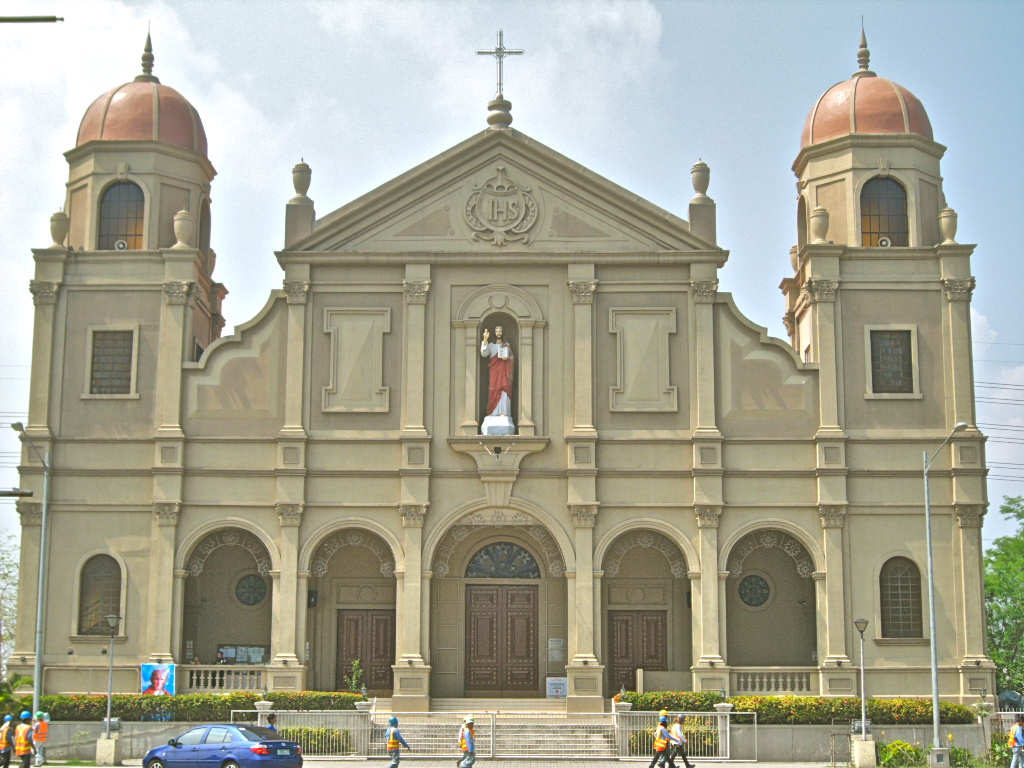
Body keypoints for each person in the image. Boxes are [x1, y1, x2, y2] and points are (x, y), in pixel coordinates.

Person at [480, 326, 514, 434]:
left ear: (502, 333)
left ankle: (503, 412)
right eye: (497, 331)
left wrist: (507, 359)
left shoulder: (506, 345)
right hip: (494, 374)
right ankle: (492, 413)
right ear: (494, 333)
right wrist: (485, 339)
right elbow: (484, 353)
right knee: (493, 390)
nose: (498, 333)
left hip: (504, 374)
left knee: (503, 391)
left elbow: (512, 359)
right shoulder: (491, 346)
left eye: (500, 331)